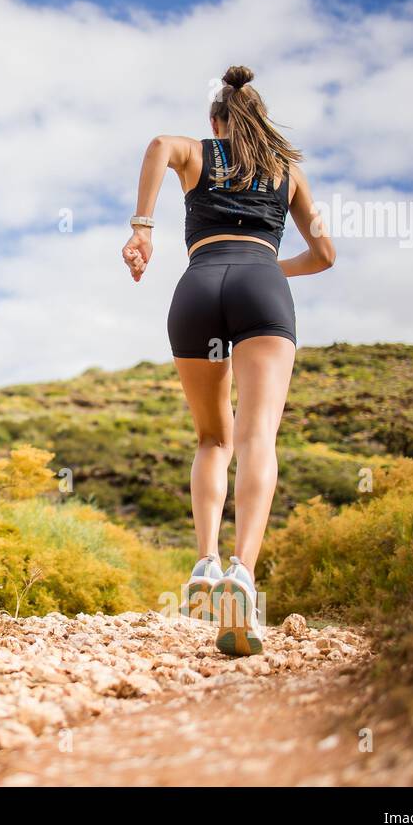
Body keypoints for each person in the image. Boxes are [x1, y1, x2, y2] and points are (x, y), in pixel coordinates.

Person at [121, 65, 336, 656]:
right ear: (259, 119)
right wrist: (266, 269)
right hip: (262, 288)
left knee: (212, 439)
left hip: (196, 288)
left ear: (216, 121)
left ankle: (205, 563)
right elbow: (324, 254)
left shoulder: (196, 153)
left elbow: (160, 145)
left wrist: (143, 228)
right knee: (257, 436)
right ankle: (242, 573)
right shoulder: (289, 172)